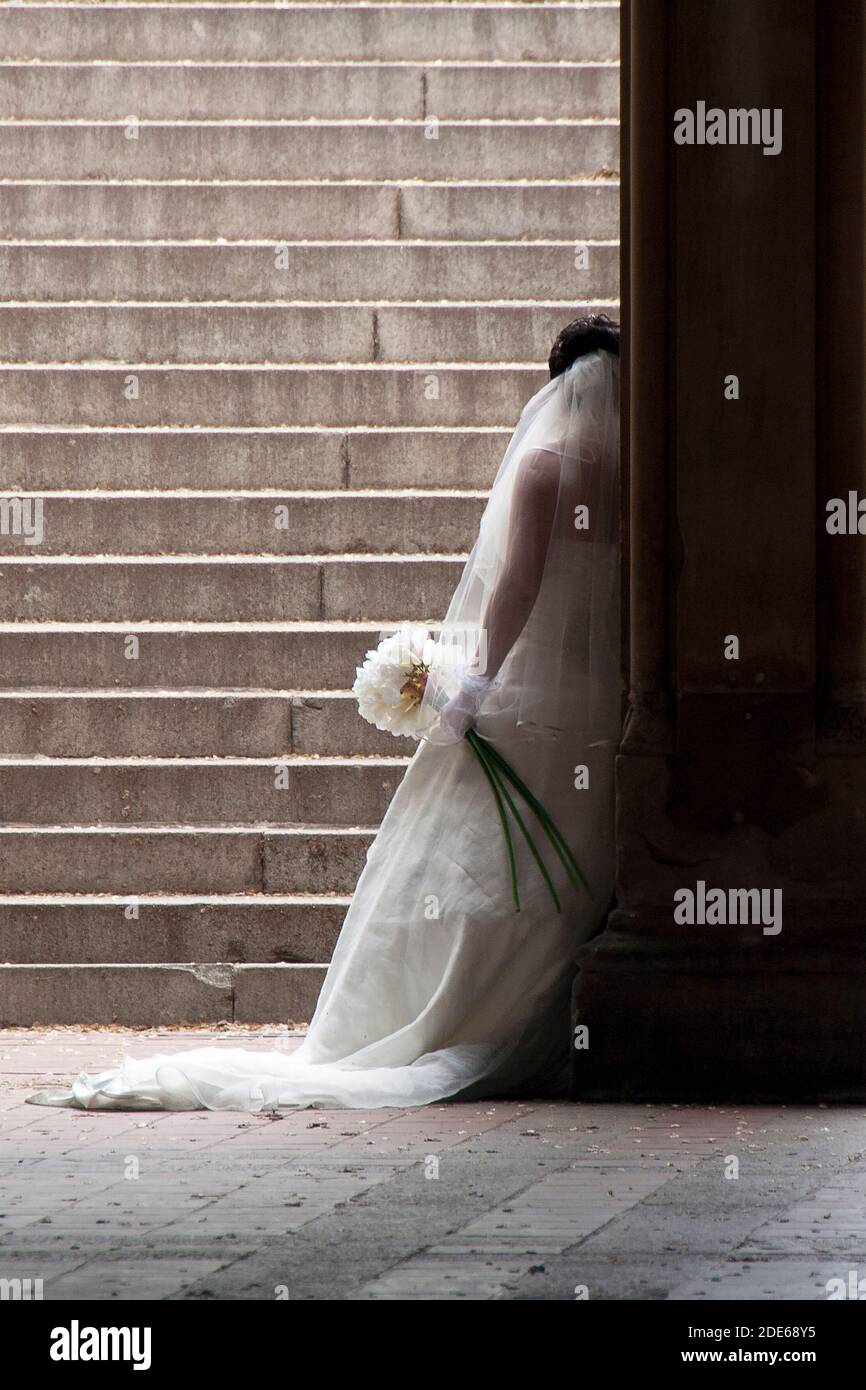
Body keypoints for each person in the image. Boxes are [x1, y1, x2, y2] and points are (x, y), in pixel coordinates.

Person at [28, 315, 622, 1112]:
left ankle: (415, 1018)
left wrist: (475, 682)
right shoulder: (643, 473)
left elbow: (513, 588)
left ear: (557, 387)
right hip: (603, 706)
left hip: (531, 703)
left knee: (456, 860)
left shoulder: (546, 467)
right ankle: (531, 1021)